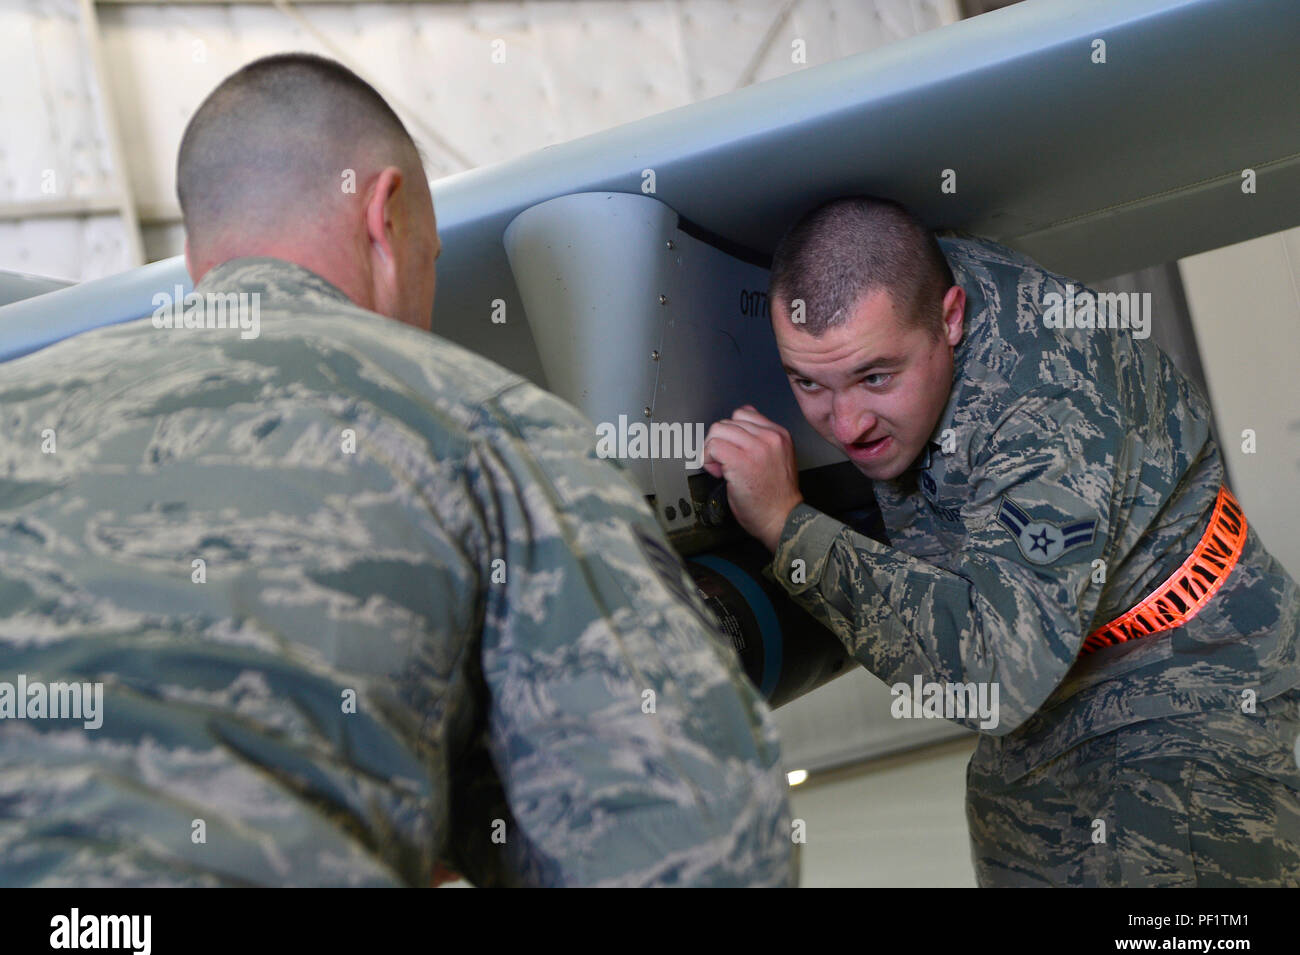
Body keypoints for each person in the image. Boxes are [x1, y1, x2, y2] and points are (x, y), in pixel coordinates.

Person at [0, 53, 795, 888]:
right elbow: (705, 848)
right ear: (386, 217)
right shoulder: (492, 430)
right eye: (432, 257)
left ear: (202, 259)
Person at [702, 195, 1300, 886]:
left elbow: (996, 676)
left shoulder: (1046, 404)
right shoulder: (910, 300)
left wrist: (787, 526)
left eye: (875, 377)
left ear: (950, 318)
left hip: (1190, 669)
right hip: (1059, 668)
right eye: (808, 382)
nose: (845, 423)